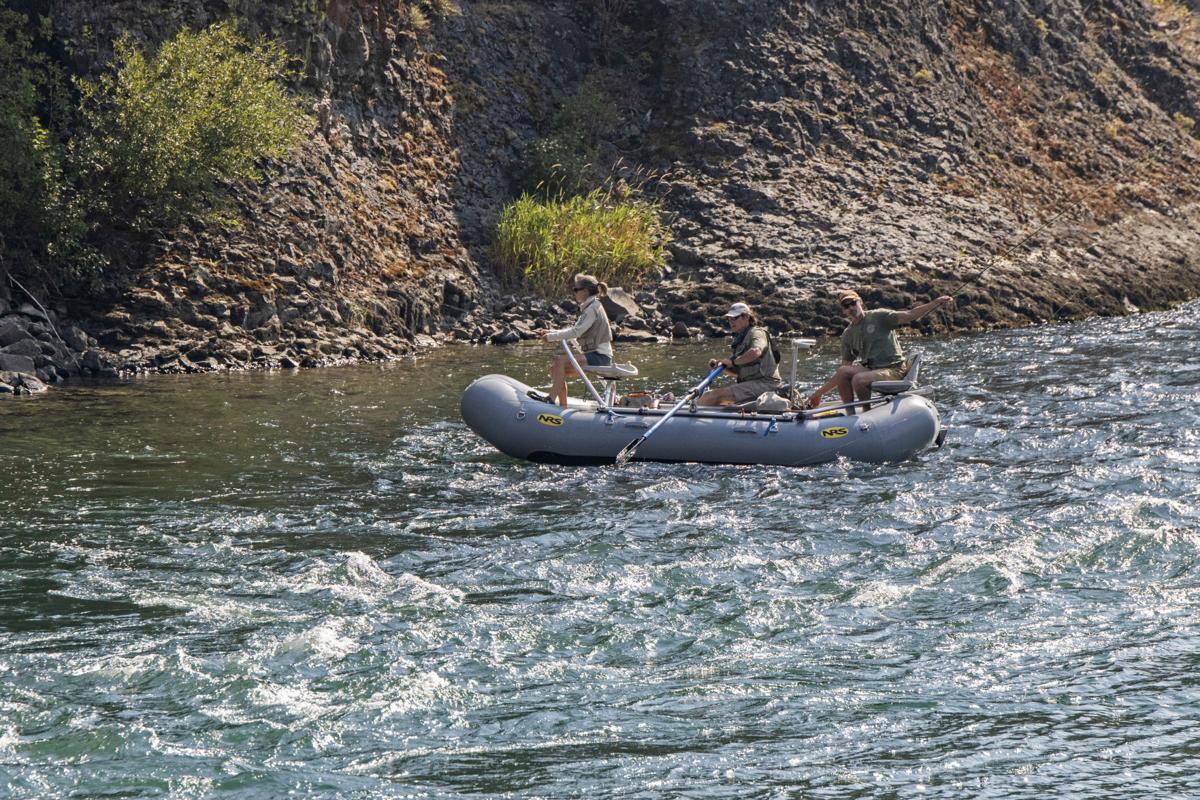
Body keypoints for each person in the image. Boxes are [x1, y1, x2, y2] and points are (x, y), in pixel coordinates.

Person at [807, 290, 953, 412]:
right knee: (843, 372)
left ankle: (866, 412)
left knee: (859, 379)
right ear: (843, 311)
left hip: (894, 369)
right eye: (846, 306)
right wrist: (818, 394)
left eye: (853, 303)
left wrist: (936, 302)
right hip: (872, 369)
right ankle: (850, 413)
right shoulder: (848, 334)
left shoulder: (880, 316)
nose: (851, 308)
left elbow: (911, 315)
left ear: (860, 302)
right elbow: (842, 370)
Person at [540, 274, 613, 408]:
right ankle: (563, 406)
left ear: (585, 291)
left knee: (560, 361)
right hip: (593, 355)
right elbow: (576, 329)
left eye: (576, 290)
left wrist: (550, 338)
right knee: (554, 369)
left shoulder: (592, 309)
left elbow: (576, 332)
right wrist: (551, 333)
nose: (574, 292)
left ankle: (551, 399)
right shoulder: (591, 306)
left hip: (600, 357)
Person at [697, 302, 781, 406]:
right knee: (709, 396)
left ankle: (693, 414)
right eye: (729, 319)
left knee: (712, 396)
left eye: (735, 318)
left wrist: (732, 362)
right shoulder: (740, 339)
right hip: (750, 384)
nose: (731, 322)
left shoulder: (757, 333)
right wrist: (723, 366)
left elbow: (756, 351)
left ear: (746, 317)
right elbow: (737, 372)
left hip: (766, 384)